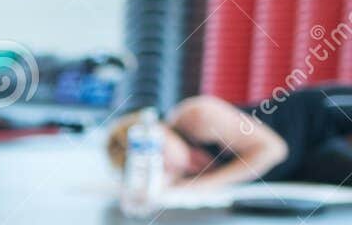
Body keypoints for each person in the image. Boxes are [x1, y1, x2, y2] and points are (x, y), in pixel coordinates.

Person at [104, 85, 352, 188]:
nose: (165, 162)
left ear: (158, 129)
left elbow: (274, 150)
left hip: (320, 114)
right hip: (304, 158)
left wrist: (202, 187)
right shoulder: (179, 170)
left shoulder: (195, 116)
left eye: (158, 150)